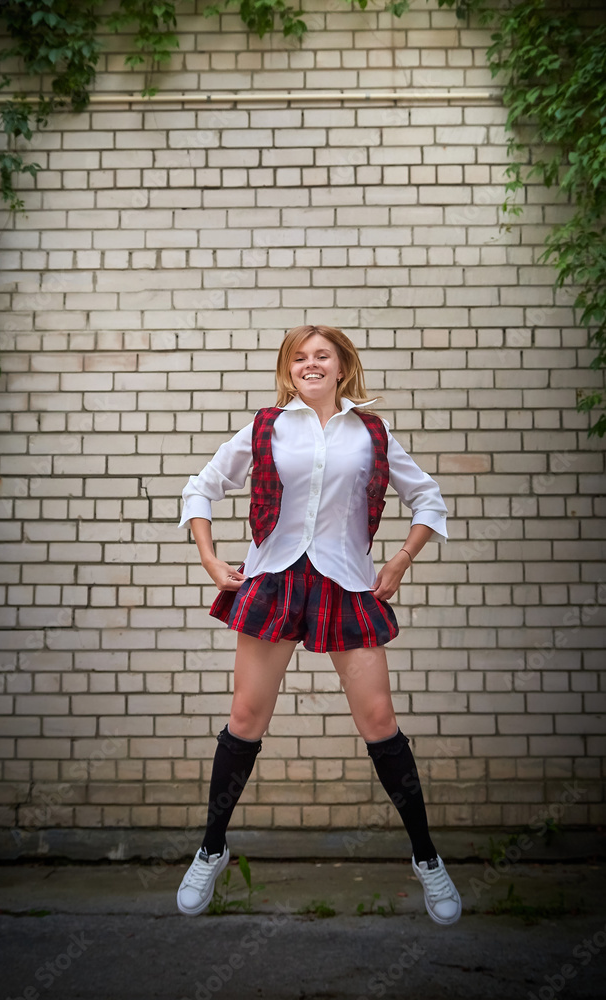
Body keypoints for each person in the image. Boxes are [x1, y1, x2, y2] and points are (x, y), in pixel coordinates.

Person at [175, 324, 461, 925]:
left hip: (345, 581)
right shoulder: (267, 427)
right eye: (299, 357)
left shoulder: (372, 432)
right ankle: (210, 849)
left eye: (322, 356)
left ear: (341, 366)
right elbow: (201, 488)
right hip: (274, 579)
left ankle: (427, 858)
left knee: (379, 721)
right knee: (245, 718)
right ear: (289, 369)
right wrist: (209, 559)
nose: (310, 364)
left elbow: (428, 499)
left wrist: (399, 561)